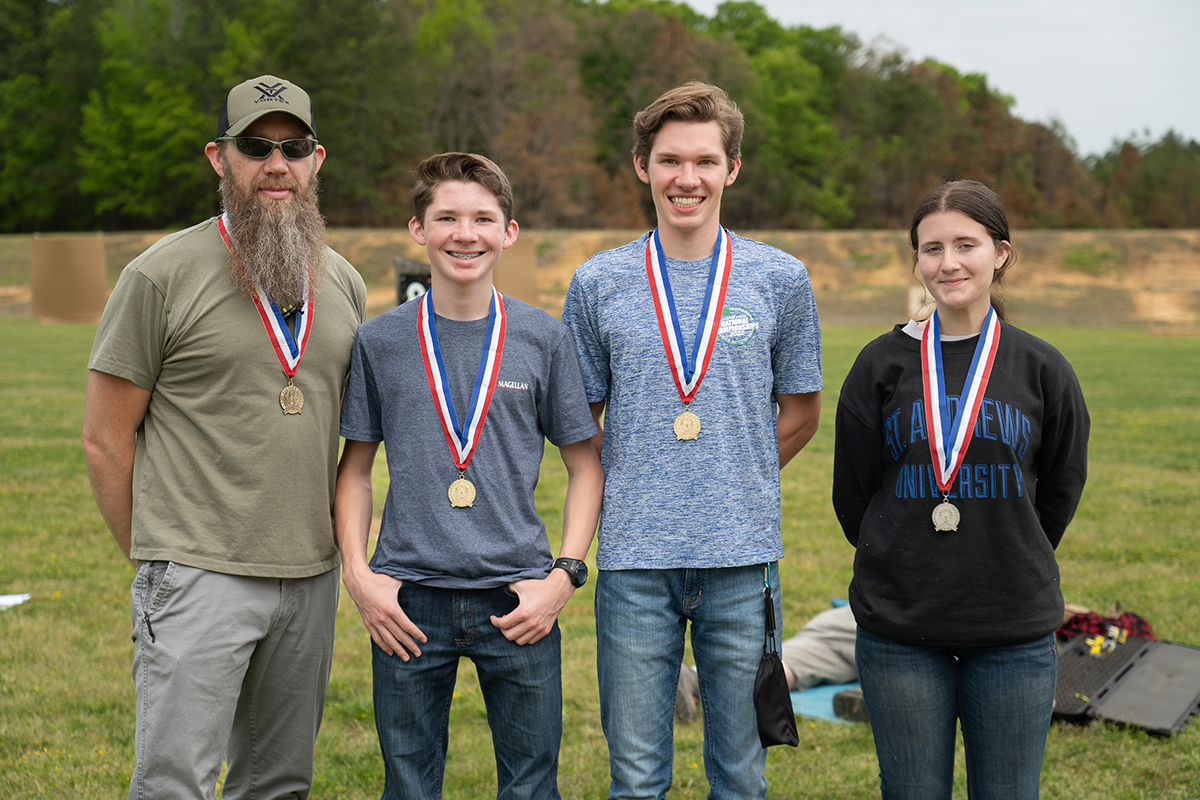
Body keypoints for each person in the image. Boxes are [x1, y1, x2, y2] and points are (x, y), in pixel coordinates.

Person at [80, 75, 366, 799]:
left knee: (279, 784)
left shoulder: (346, 283)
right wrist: (158, 560)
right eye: (255, 146)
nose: (276, 164)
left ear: (317, 159)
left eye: (292, 147)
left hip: (309, 578)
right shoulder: (159, 276)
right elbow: (106, 439)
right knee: (176, 782)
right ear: (219, 157)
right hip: (196, 573)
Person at [561, 82, 822, 799]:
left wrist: (738, 475)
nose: (687, 178)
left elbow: (801, 411)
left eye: (705, 161)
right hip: (633, 563)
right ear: (641, 165)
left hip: (742, 563)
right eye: (670, 160)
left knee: (740, 775)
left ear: (731, 169)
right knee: (637, 778)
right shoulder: (599, 283)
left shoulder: (780, 278)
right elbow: (580, 425)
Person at [334, 152, 604, 800]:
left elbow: (585, 464)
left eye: (483, 218)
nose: (465, 233)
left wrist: (563, 578)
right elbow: (355, 470)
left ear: (508, 232)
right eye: (447, 217)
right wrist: (360, 576)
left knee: (533, 787)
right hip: (407, 599)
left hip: (518, 597)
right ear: (418, 229)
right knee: (408, 787)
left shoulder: (543, 337)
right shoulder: (381, 340)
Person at [832, 179, 1090, 799]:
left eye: (965, 245)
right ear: (917, 260)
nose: (947, 263)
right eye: (931, 248)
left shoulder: (1041, 366)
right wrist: (901, 550)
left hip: (1011, 628)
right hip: (900, 627)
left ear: (1000, 253)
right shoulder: (880, 364)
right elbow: (855, 491)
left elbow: (1060, 484)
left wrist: (1007, 544)